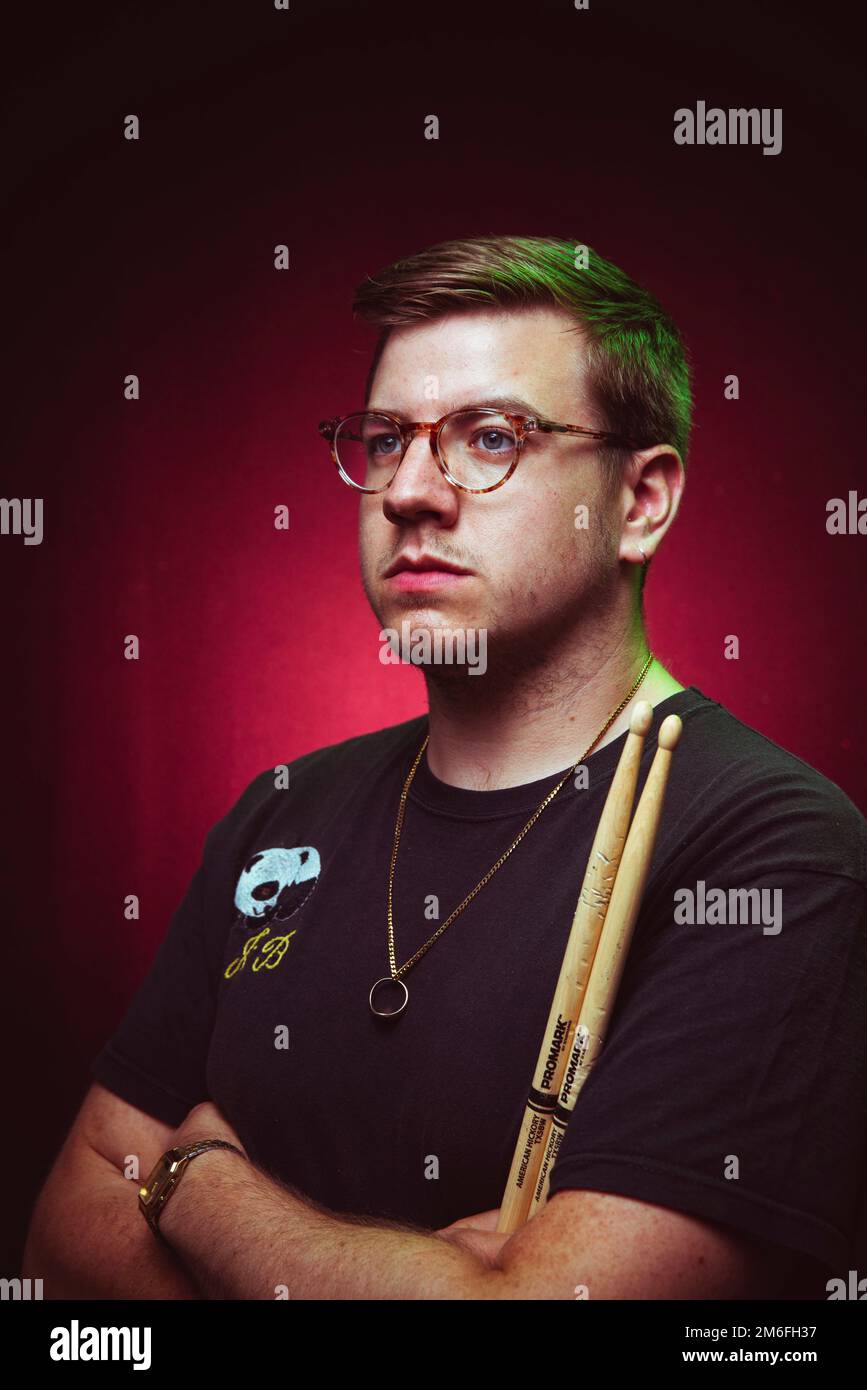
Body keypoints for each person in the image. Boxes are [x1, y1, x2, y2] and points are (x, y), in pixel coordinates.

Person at [24, 235, 867, 1300]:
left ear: (641, 501)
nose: (410, 490)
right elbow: (60, 1251)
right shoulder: (280, 816)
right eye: (384, 440)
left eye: (489, 436)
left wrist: (202, 1183)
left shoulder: (767, 851)